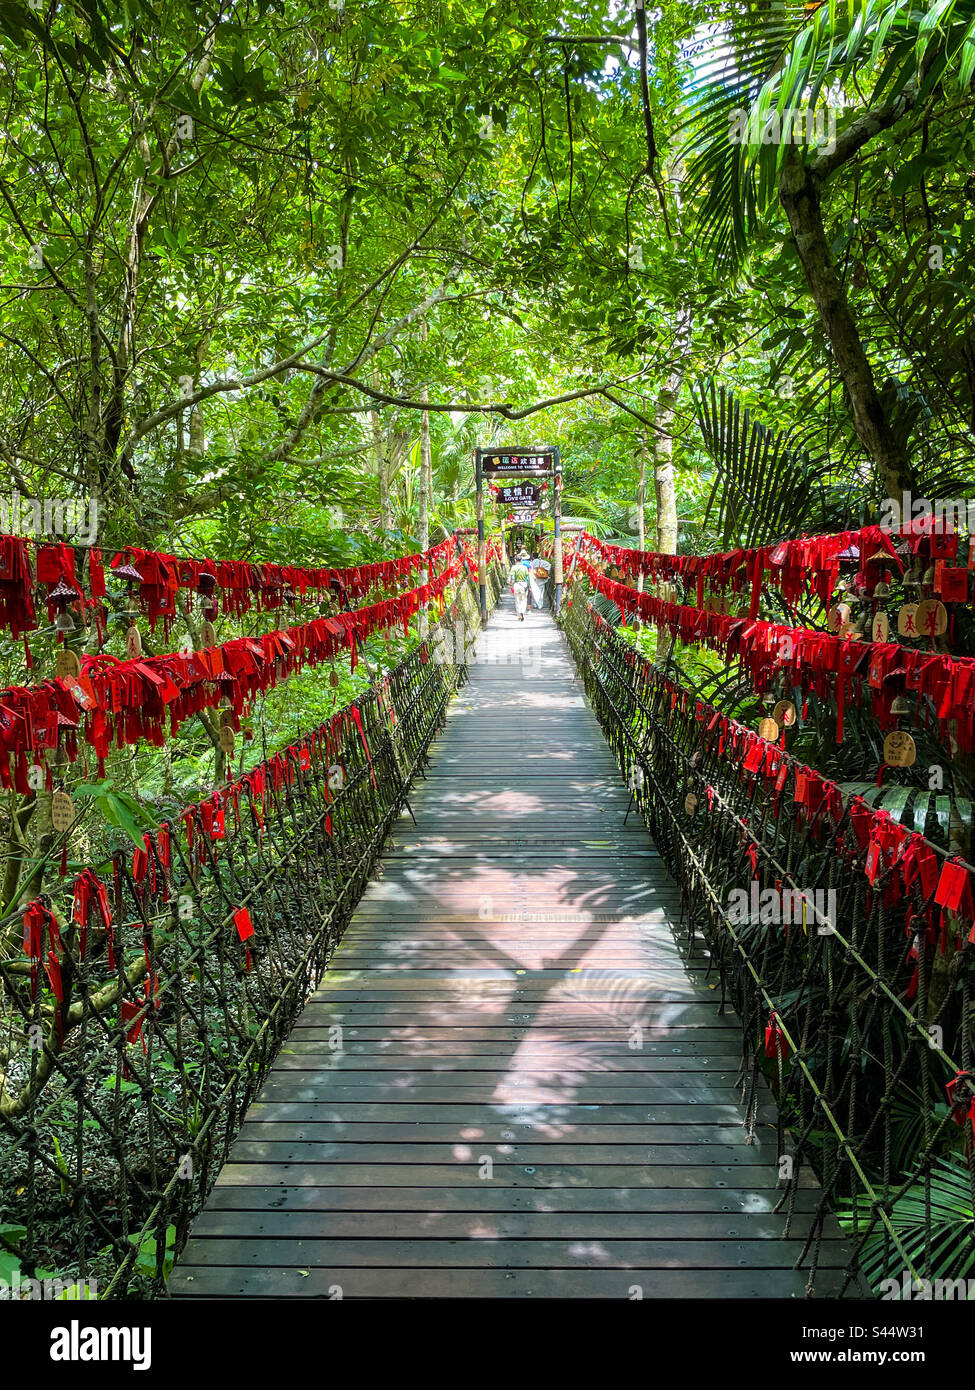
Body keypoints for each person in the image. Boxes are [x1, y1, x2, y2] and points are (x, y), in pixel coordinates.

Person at [509, 549, 530, 621]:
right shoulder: (524, 568)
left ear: (515, 560)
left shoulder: (513, 567)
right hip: (524, 584)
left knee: (517, 600)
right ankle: (522, 612)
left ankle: (519, 614)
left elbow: (512, 577)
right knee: (524, 599)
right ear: (521, 560)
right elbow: (527, 577)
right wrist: (528, 585)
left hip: (516, 584)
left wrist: (511, 584)